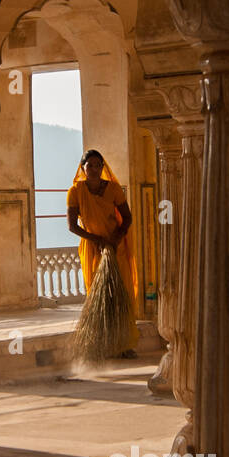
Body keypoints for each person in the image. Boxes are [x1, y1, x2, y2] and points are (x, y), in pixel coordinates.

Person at [66, 149, 139, 357]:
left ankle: (124, 344)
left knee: (120, 293)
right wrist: (97, 240)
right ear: (83, 169)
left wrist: (115, 239)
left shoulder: (114, 189)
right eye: (90, 166)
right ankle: (103, 344)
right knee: (98, 296)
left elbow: (127, 218)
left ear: (103, 168)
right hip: (93, 248)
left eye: (99, 165)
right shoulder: (75, 192)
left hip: (116, 248)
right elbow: (72, 226)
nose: (95, 169)